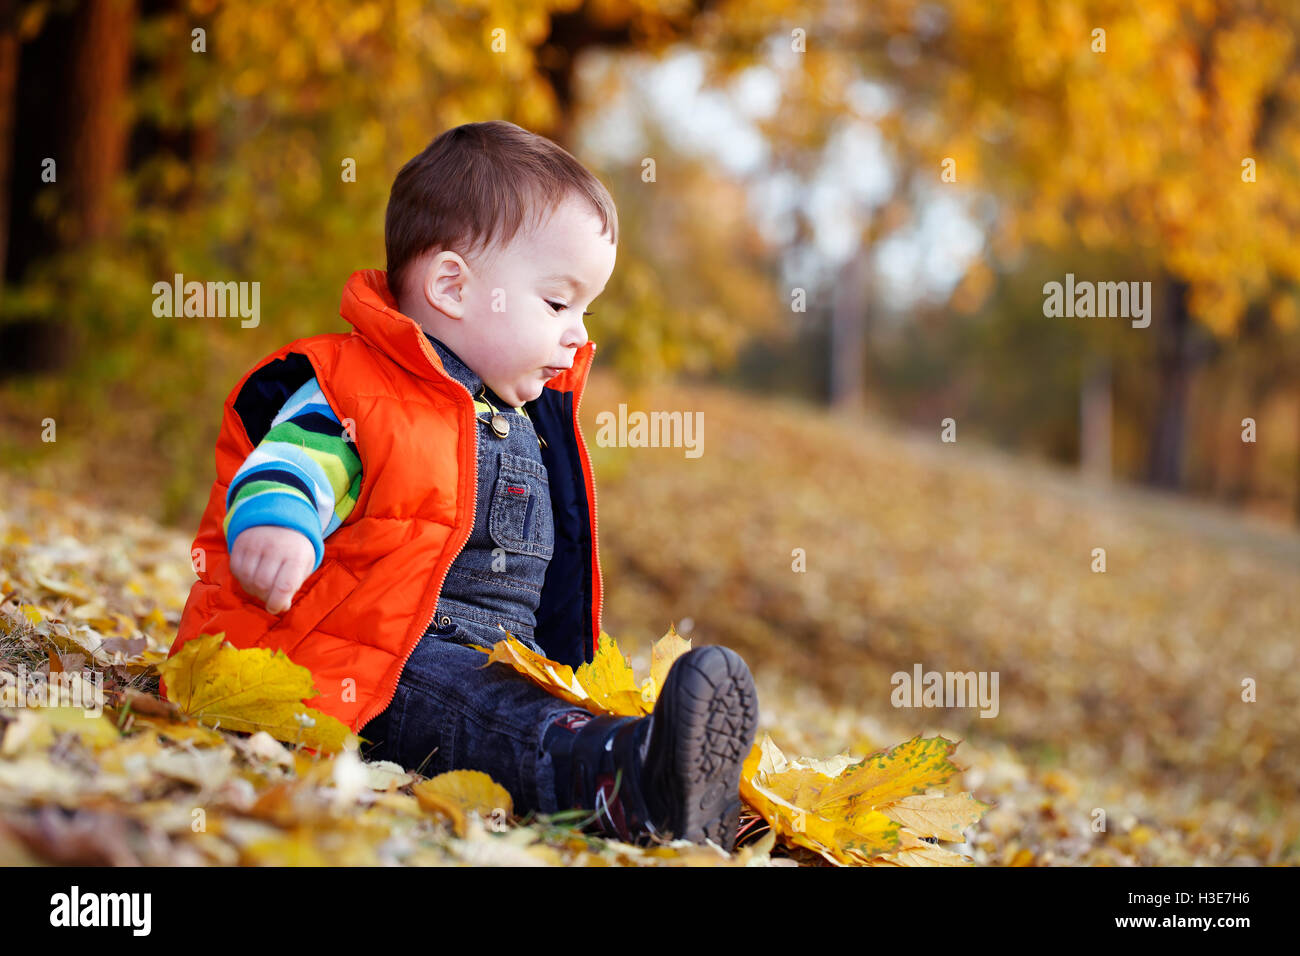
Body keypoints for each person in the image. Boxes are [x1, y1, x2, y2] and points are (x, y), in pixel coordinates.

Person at [163, 121, 759, 851]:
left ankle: (661, 763)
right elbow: (290, 461)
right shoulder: (358, 388)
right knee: (478, 708)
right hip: (364, 666)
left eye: (585, 312)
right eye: (556, 304)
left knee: (516, 702)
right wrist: (278, 527)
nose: (577, 336)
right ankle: (619, 782)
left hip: (494, 656)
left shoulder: (525, 421)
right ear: (451, 286)